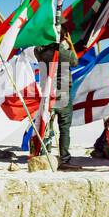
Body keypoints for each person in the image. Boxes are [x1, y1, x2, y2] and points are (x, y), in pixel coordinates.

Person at [36, 33, 76, 167]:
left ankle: (44, 154)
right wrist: (70, 44)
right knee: (64, 128)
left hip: (48, 93)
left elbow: (37, 50)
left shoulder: (42, 53)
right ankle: (64, 158)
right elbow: (75, 61)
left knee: (47, 125)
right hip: (63, 93)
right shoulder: (64, 53)